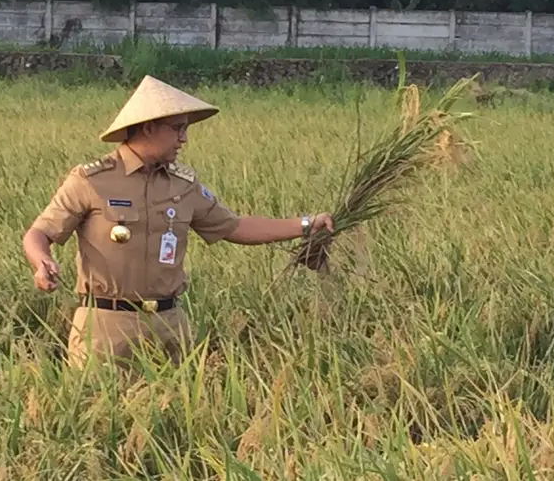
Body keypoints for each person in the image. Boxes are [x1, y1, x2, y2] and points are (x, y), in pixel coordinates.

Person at [21, 74, 335, 369]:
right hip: (105, 327)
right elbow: (39, 233)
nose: (183, 138)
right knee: (101, 418)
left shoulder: (183, 186)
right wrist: (41, 262)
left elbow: (236, 227)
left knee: (177, 418)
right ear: (148, 128)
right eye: (177, 128)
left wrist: (307, 224)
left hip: (170, 324)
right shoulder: (91, 181)